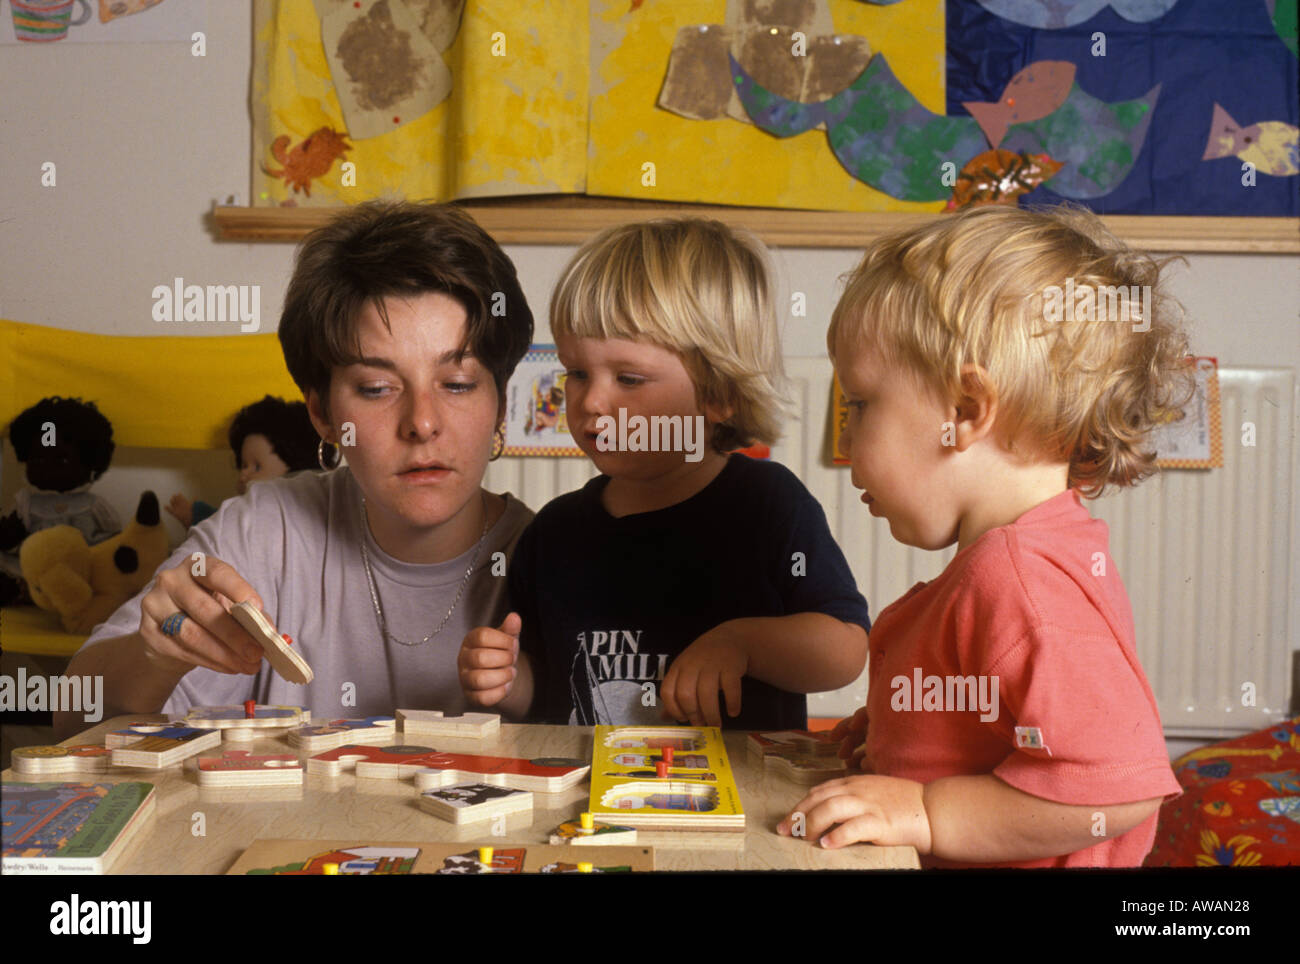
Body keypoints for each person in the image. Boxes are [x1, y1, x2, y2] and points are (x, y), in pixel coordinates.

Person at [778, 204, 1190, 867]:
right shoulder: (1018, 555)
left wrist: (927, 813)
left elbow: (1118, 787)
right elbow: (993, 724)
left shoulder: (1020, 576)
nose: (847, 440)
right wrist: (889, 738)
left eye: (859, 405)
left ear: (966, 411)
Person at [56, 201, 535, 736]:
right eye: (376, 389)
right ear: (323, 415)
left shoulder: (558, 555)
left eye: (458, 383)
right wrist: (155, 657)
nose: (422, 423)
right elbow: (72, 718)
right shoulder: (265, 531)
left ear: (501, 403)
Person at [459, 218, 870, 729]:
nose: (591, 401)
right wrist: (505, 680)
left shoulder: (768, 507)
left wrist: (742, 643)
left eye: (629, 378)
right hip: (592, 801)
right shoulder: (553, 532)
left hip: (738, 802)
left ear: (720, 393)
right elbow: (546, 692)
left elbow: (846, 648)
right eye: (577, 372)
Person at [166, 395, 320, 527]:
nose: (244, 473)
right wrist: (194, 516)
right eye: (244, 465)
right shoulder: (244, 513)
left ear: (295, 471)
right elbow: (223, 525)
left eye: (257, 467)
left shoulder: (304, 515)